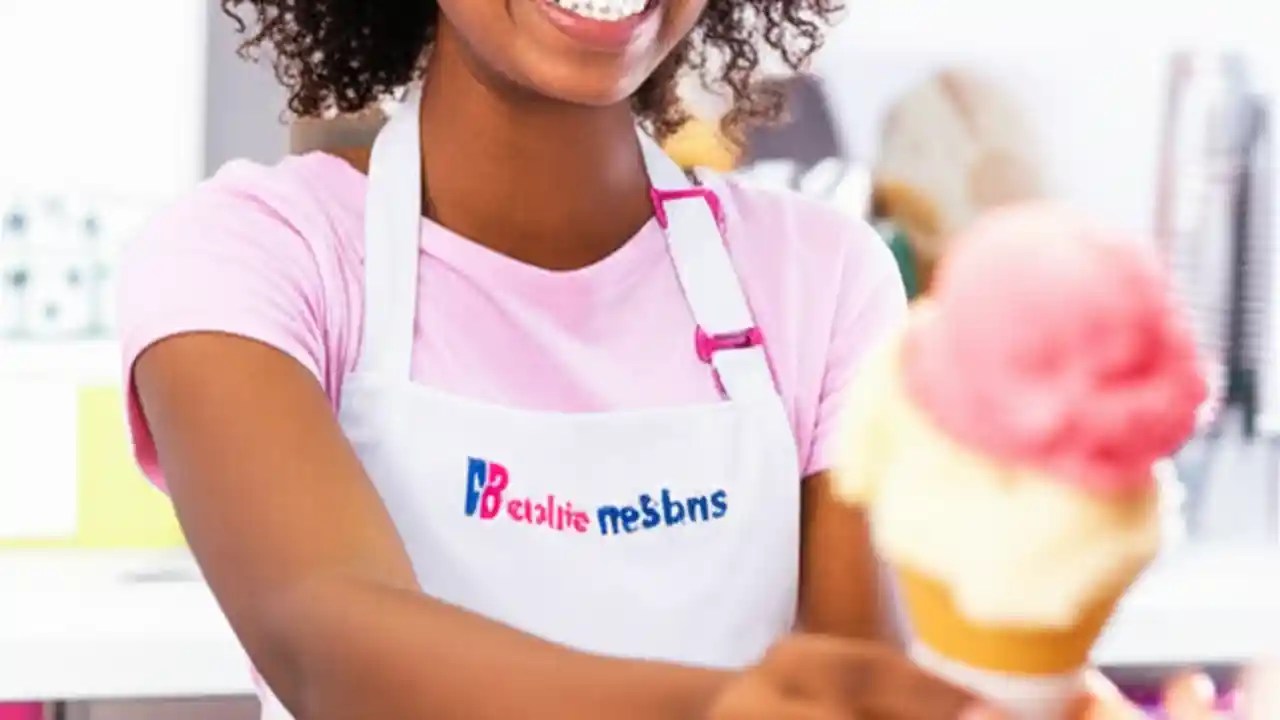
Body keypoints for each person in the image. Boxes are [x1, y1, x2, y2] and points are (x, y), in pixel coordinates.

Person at [120, 1, 1141, 718]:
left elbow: (853, 689)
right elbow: (323, 642)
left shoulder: (821, 279)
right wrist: (724, 709)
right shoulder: (257, 256)